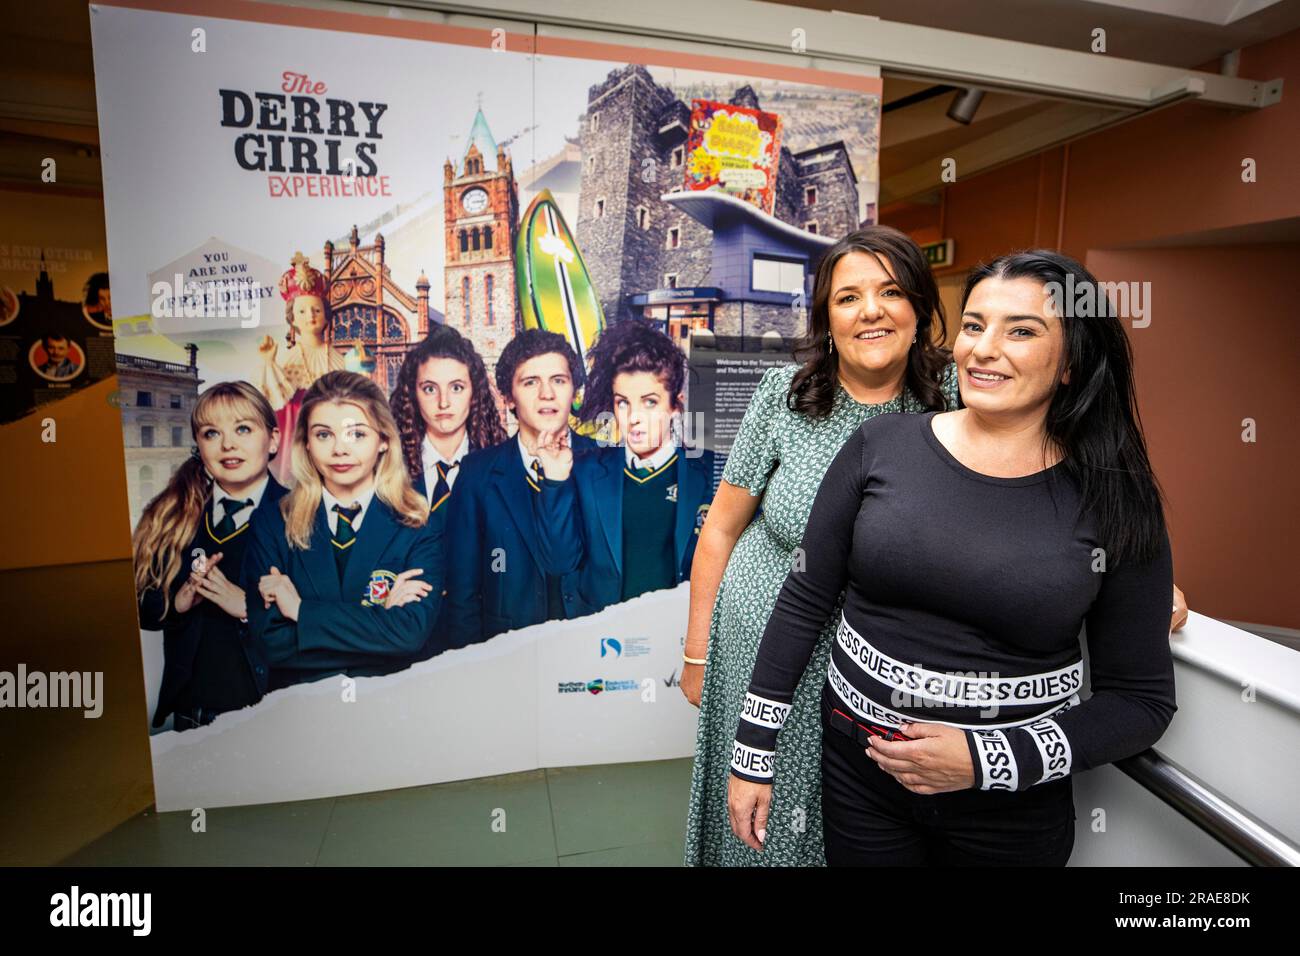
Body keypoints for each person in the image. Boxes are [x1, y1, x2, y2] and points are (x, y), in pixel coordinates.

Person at [727, 249, 1178, 866]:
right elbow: (805, 600)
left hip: (1009, 815)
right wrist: (752, 755)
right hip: (860, 785)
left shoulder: (1115, 495)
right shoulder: (880, 447)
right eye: (973, 325)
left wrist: (986, 760)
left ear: (1071, 360)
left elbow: (1140, 701)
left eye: (1021, 330)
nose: (983, 349)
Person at [245, 370, 444, 689]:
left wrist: (300, 611)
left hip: (385, 710)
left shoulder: (417, 522)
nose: (340, 449)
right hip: (302, 714)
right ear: (306, 443)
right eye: (324, 434)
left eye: (357, 434)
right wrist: (379, 627)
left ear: (383, 441)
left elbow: (410, 634)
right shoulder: (272, 522)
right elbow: (272, 643)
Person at [533, 317, 714, 613]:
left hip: (677, 638)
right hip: (606, 643)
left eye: (650, 402)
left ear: (676, 407)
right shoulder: (586, 471)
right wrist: (554, 479)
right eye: (623, 403)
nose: (634, 417)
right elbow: (558, 562)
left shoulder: (708, 472)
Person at [132, 381, 285, 730]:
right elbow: (143, 605)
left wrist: (251, 609)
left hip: (271, 722)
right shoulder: (171, 518)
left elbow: (325, 620)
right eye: (211, 433)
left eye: (243, 429)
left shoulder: (302, 519)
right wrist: (178, 603)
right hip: (191, 721)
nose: (228, 444)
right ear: (199, 446)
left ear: (273, 440)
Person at [442, 329, 596, 647]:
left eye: (559, 380)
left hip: (590, 651)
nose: (547, 394)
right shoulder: (476, 475)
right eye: (530, 382)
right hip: (507, 653)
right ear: (508, 397)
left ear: (574, 390)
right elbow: (462, 592)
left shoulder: (603, 465)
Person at [390, 324, 507, 517]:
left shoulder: (501, 464)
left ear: (474, 393)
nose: (443, 402)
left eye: (456, 388)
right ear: (413, 394)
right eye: (430, 389)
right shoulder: (390, 465)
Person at [258, 252, 346, 484]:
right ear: (293, 319)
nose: (311, 316)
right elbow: (278, 406)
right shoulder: (288, 359)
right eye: (303, 311)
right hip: (298, 438)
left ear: (326, 315)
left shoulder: (338, 358)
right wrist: (269, 363)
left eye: (316, 310)